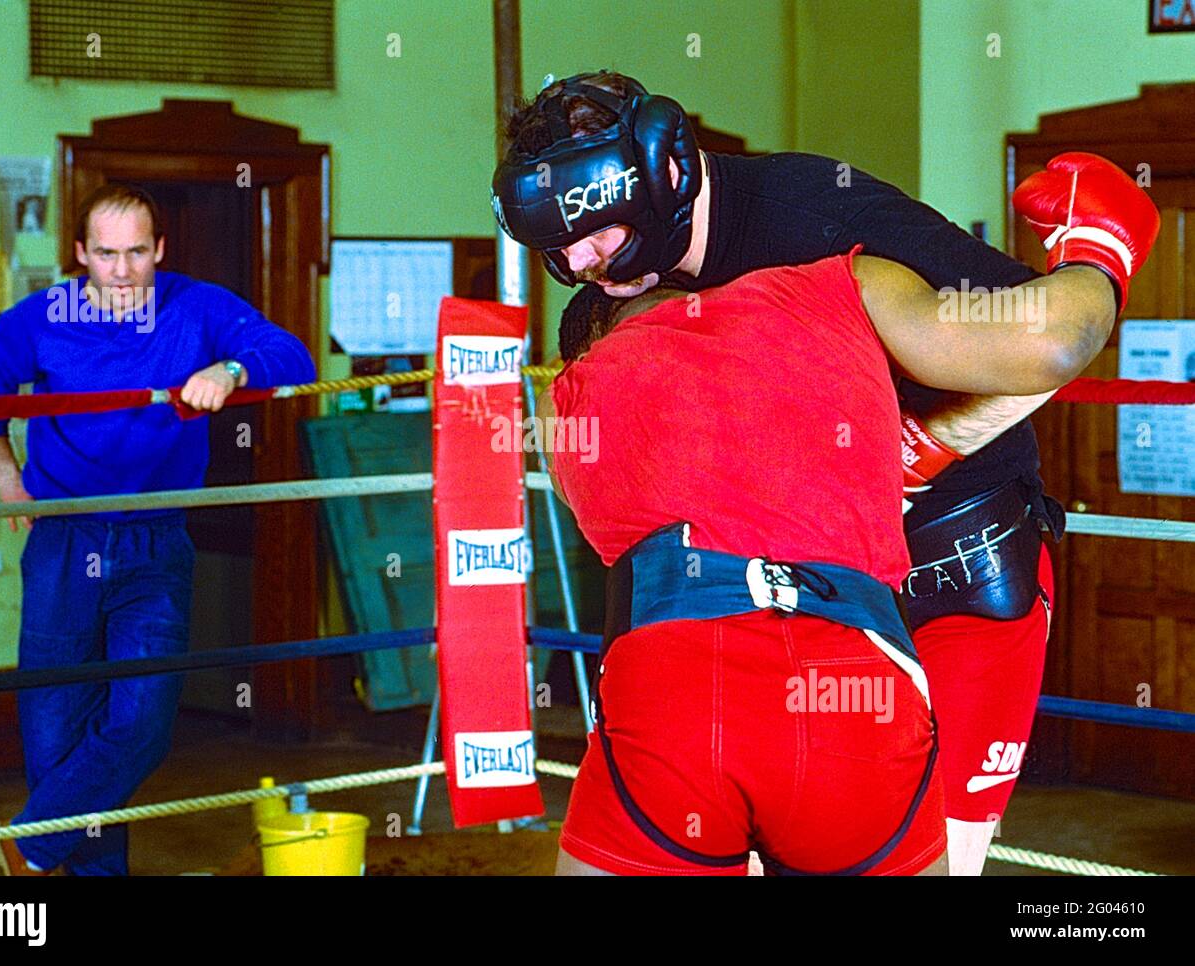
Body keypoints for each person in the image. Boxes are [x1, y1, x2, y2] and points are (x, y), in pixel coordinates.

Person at [494, 72, 1159, 874]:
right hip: (755, 616)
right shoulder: (616, 306)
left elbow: (1039, 344)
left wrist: (916, 451)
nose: (579, 261)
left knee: (940, 851)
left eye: (595, 229)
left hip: (950, 564)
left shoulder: (816, 217)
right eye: (555, 248)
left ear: (667, 173)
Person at [0, 184, 317, 875]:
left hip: (157, 538)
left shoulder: (197, 306)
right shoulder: (43, 316)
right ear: (80, 254)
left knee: (143, 723)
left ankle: (27, 843)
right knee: (57, 729)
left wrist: (232, 367)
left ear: (159, 249)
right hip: (65, 537)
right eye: (105, 254)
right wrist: (5, 473)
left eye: (134, 254)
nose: (120, 271)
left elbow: (291, 356)